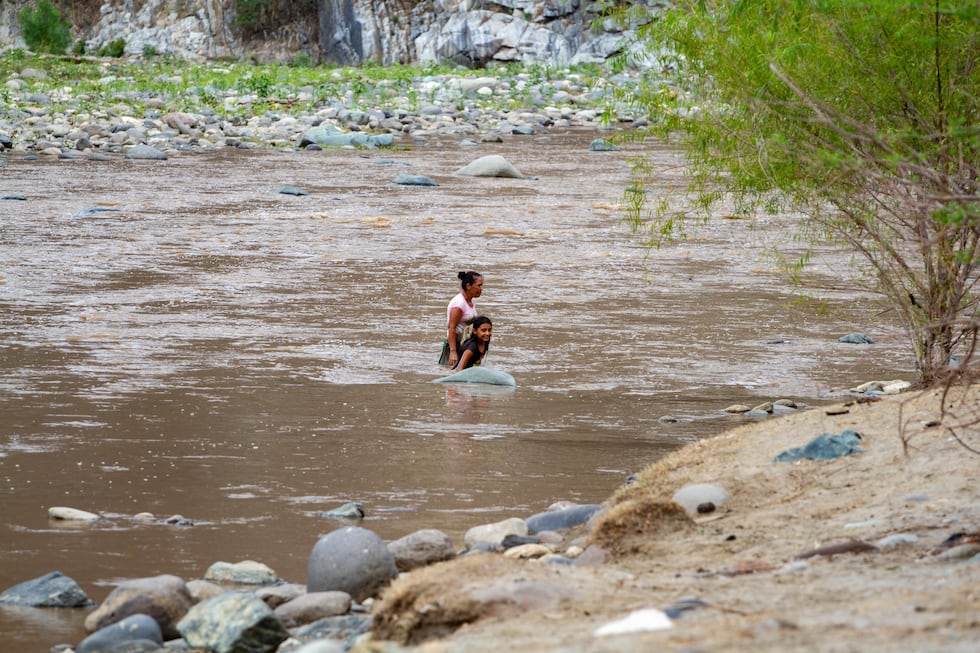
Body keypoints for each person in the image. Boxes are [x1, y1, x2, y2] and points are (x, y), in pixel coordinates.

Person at [441, 270, 483, 367]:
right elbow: (451, 329)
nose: (481, 289)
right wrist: (453, 352)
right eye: (479, 285)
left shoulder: (472, 301)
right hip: (456, 345)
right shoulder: (459, 304)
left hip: (467, 344)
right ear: (468, 286)